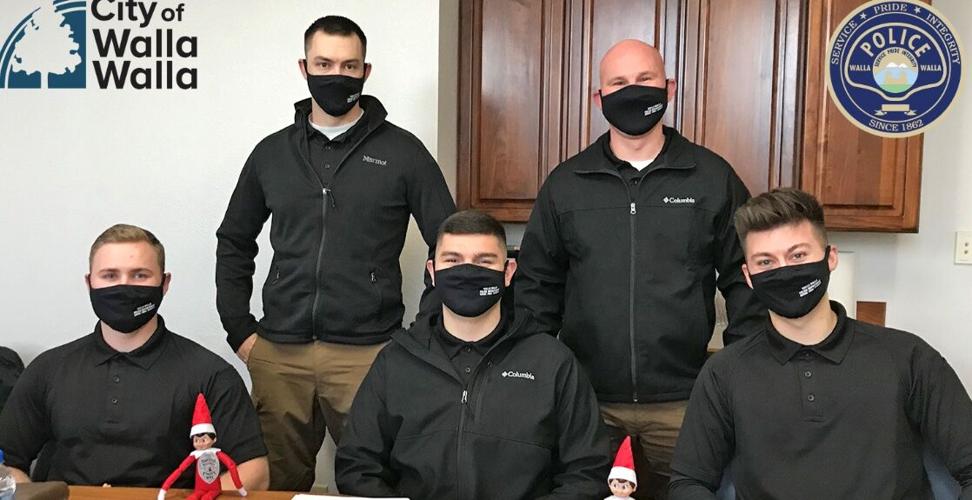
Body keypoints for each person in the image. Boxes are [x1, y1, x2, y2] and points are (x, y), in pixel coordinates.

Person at [515, 38, 765, 498]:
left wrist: (737, 369)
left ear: (669, 87)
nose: (633, 91)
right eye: (619, 82)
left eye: (645, 79)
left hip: (685, 400)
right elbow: (536, 288)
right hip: (587, 399)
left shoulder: (712, 178)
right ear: (599, 98)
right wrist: (537, 377)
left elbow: (746, 277)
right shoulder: (566, 184)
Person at [215, 15, 455, 490]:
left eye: (349, 66)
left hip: (368, 353)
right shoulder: (271, 153)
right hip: (279, 353)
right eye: (324, 64)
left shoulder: (403, 152)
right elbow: (234, 240)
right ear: (303, 68)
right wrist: (238, 328)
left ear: (366, 71)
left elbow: (451, 243)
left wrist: (421, 334)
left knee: (375, 482)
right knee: (275, 485)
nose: (336, 75)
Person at [668, 188, 972, 499]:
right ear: (748, 275)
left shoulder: (909, 358)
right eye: (766, 262)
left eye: (798, 255)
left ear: (830, 257)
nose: (784, 271)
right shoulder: (724, 373)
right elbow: (688, 482)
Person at [335, 210, 611, 499]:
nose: (467, 272)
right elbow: (357, 466)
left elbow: (587, 471)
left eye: (484, 261)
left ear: (508, 272)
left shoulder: (553, 363)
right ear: (432, 272)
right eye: (453, 261)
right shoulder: (395, 361)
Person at [0, 224, 268, 490]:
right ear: (89, 283)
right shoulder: (48, 370)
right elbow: (6, 463)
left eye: (140, 275)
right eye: (109, 275)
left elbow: (254, 472)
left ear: (164, 283)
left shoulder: (211, 374)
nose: (124, 286)